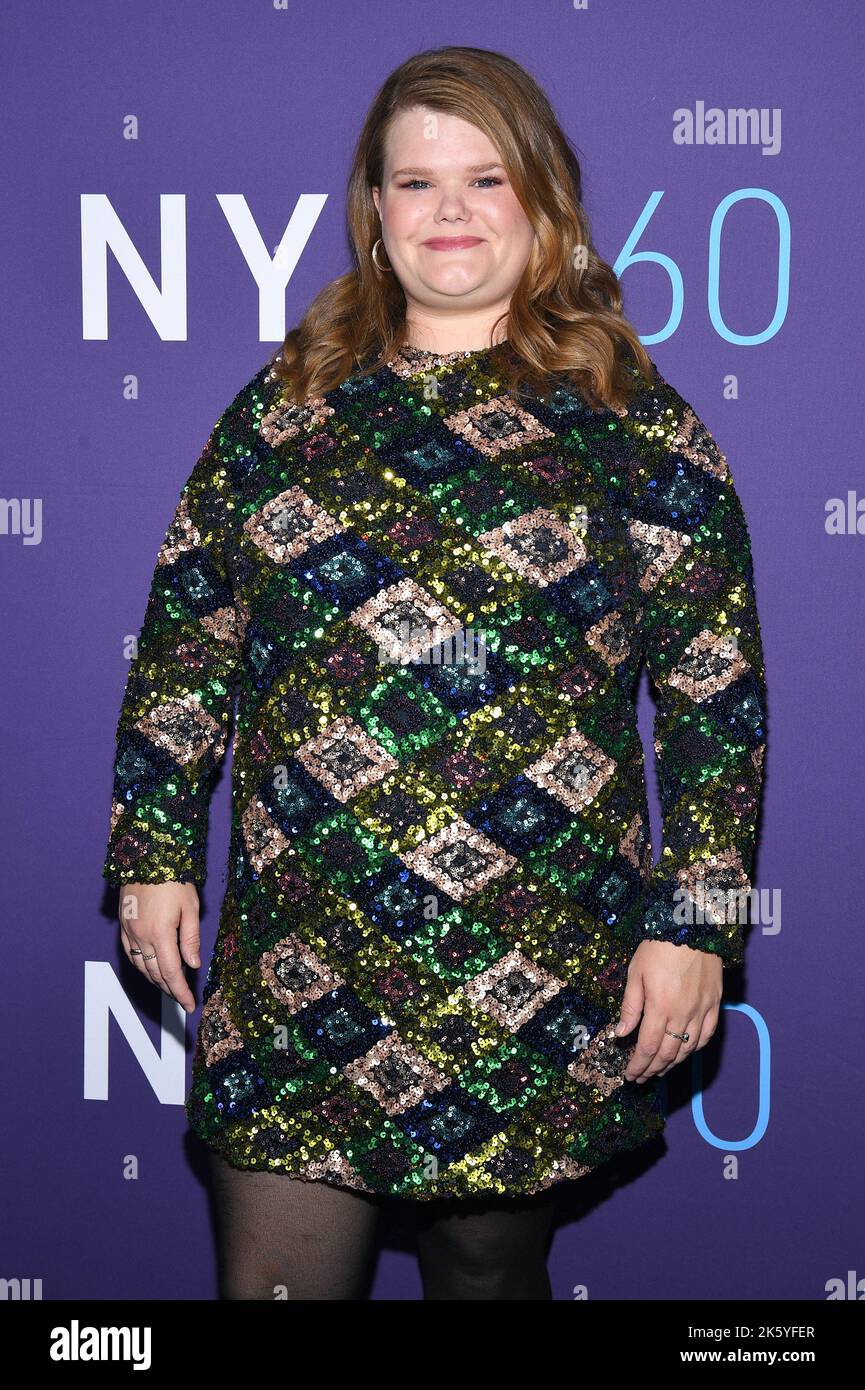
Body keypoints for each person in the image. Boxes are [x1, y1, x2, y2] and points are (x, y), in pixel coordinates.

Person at [102, 45, 768, 1300]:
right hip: (304, 952)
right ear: (375, 210)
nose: (449, 213)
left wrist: (701, 926)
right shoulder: (283, 409)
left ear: (544, 203)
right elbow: (189, 637)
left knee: (485, 1283)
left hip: (531, 954)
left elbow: (713, 692)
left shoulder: (636, 420)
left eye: (485, 179)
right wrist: (148, 849)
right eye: (416, 183)